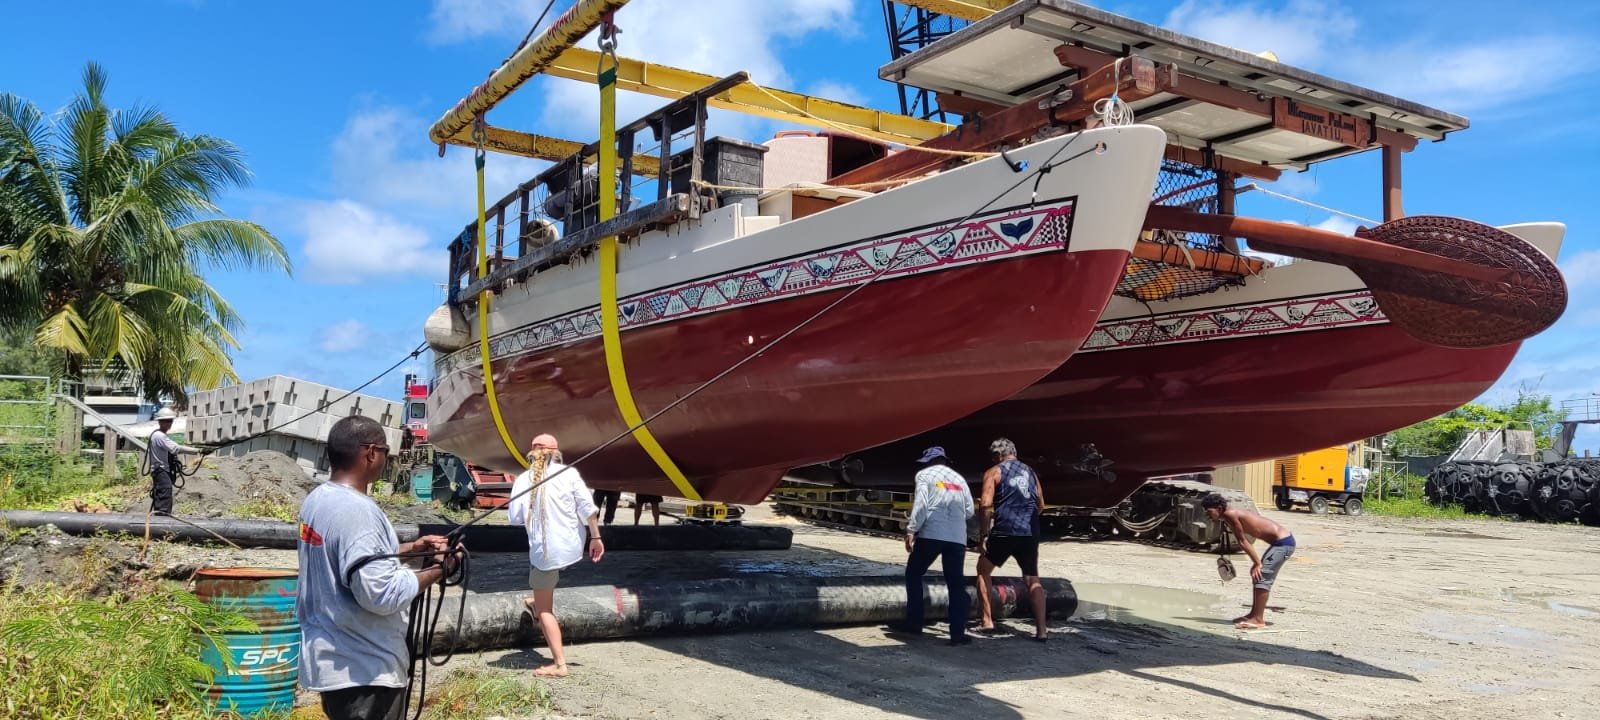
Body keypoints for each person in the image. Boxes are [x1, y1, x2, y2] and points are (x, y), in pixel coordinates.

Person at [297, 416, 454, 720]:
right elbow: (381, 596)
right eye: (385, 451)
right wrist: (440, 569)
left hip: (335, 662)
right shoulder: (358, 511)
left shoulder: (318, 501)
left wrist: (408, 550)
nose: (386, 458)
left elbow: (346, 559)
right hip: (364, 671)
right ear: (370, 452)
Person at [507, 433, 604, 678]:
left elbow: (515, 518)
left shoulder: (523, 480)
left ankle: (560, 664)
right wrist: (596, 538)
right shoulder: (569, 473)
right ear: (556, 453)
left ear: (531, 453)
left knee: (545, 610)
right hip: (572, 546)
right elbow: (588, 509)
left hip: (546, 554)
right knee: (544, 583)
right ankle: (534, 601)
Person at [892, 446, 975, 645]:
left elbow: (921, 505)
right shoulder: (959, 479)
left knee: (914, 574)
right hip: (957, 539)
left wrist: (911, 530)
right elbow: (970, 510)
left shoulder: (924, 475)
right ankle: (957, 634)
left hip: (932, 535)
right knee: (955, 584)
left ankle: (914, 624)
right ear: (945, 461)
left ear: (929, 461)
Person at [974, 437, 1048, 641]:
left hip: (1006, 529)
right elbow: (1041, 503)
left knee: (983, 569)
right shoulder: (1031, 472)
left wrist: (983, 535)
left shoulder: (994, 472)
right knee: (1032, 578)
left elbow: (986, 505)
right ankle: (1042, 630)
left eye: (993, 456)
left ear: (999, 455)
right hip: (1030, 531)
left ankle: (987, 621)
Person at [1202, 493, 1295, 629]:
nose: (1207, 515)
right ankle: (1253, 614)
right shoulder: (1227, 515)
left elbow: (1242, 541)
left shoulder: (1230, 515)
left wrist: (1257, 563)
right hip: (1280, 543)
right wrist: (1256, 562)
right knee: (1258, 577)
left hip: (1283, 543)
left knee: (1262, 577)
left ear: (1219, 508)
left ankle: (1258, 620)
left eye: (1209, 511)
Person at [146, 406, 201, 515]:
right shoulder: (159, 436)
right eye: (166, 421)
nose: (169, 424)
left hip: (161, 471)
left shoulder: (159, 435)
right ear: (160, 422)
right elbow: (176, 448)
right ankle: (162, 520)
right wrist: (198, 450)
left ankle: (162, 518)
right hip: (160, 471)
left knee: (164, 493)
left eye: (170, 421)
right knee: (165, 493)